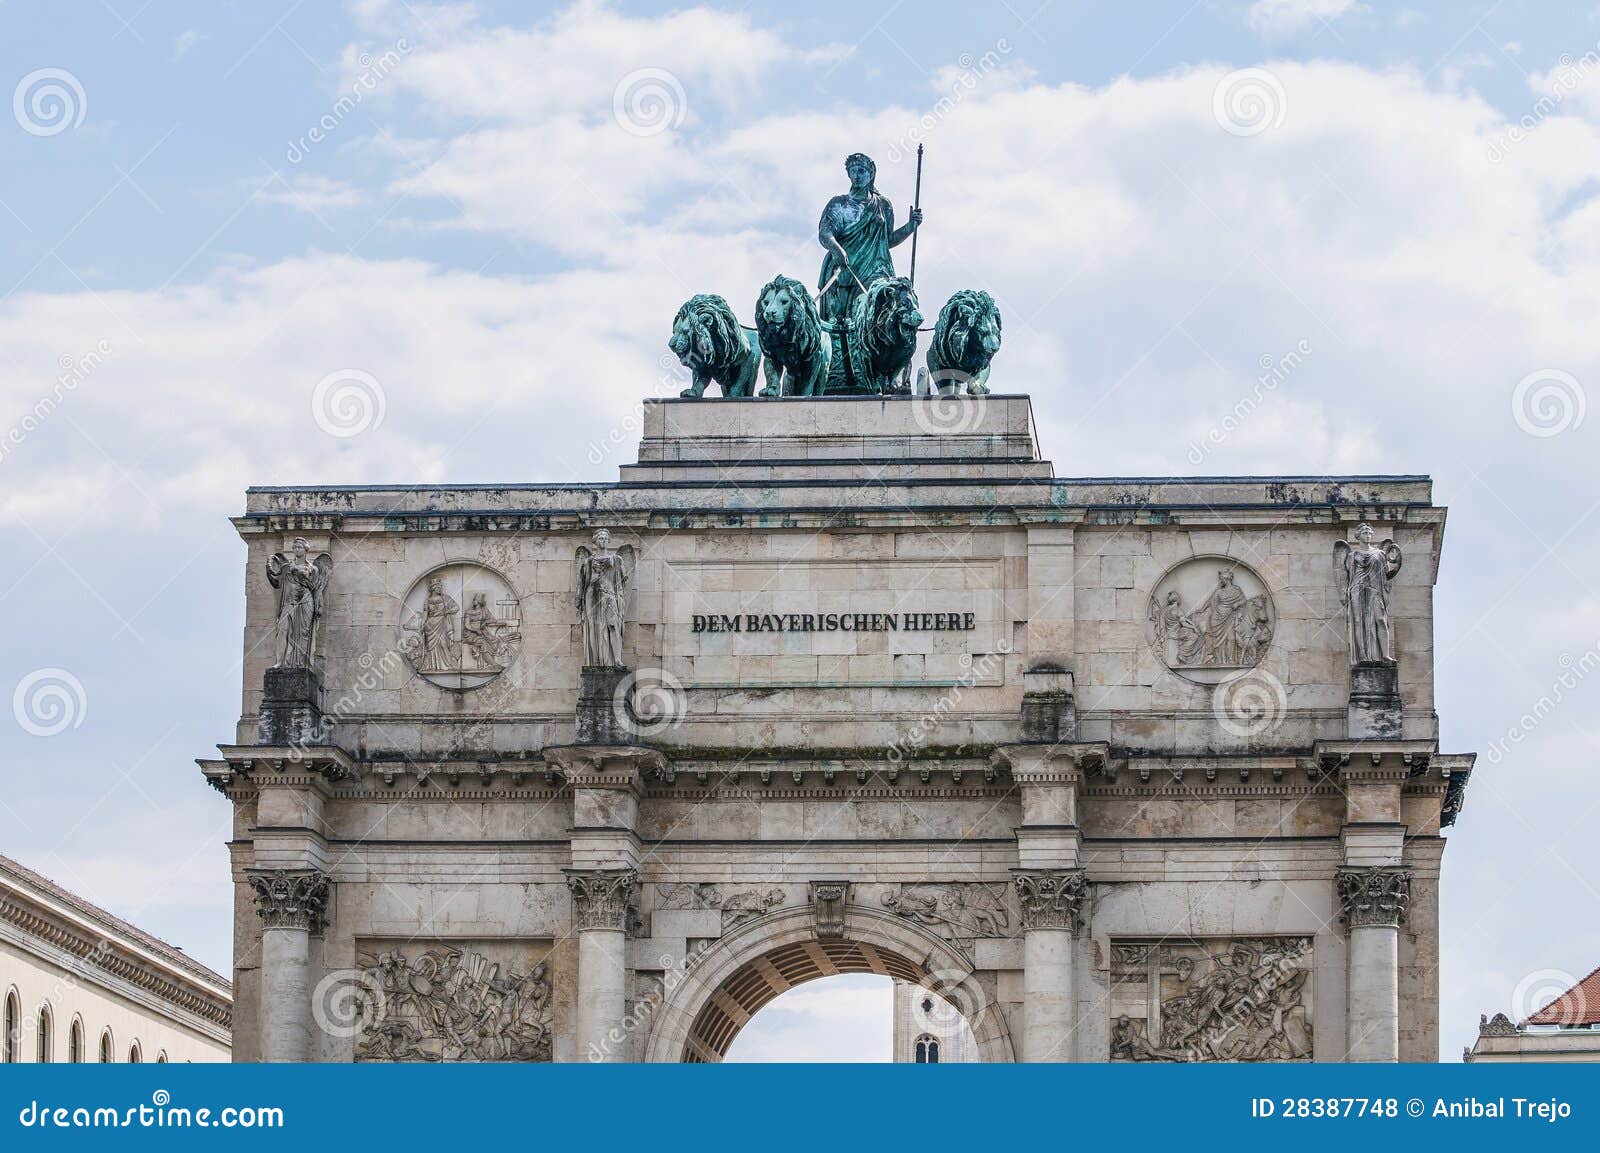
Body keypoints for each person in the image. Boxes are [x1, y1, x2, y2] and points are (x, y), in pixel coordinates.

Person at [816, 153, 922, 322]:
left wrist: (910, 226)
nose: (856, 175)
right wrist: (836, 249)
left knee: (881, 307)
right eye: (853, 171)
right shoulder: (839, 203)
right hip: (846, 267)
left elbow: (888, 240)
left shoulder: (883, 205)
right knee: (842, 321)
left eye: (861, 171)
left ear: (871, 173)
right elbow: (825, 233)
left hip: (877, 269)